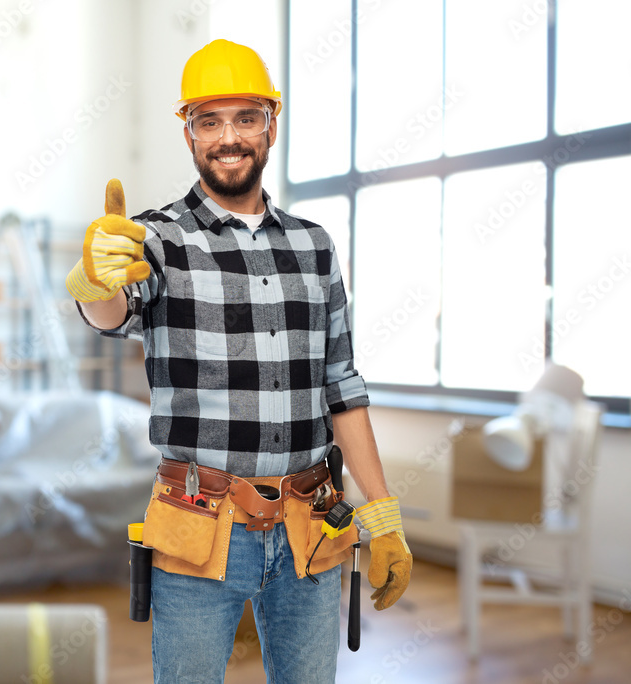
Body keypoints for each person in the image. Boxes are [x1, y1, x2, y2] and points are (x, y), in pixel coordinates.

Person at [66, 39, 412, 683]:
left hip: (312, 526)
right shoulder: (155, 239)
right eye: (208, 121)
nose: (228, 137)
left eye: (245, 118)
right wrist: (97, 282)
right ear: (189, 134)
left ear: (271, 124)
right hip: (201, 527)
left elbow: (341, 386)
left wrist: (382, 511)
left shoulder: (314, 246)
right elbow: (114, 314)